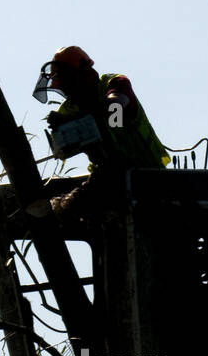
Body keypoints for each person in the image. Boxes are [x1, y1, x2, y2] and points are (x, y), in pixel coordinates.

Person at [32, 45, 169, 227]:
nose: (68, 91)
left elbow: (115, 112)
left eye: (68, 82)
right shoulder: (69, 109)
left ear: (82, 73)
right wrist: (64, 138)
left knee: (89, 193)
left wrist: (79, 118)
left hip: (146, 175)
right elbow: (66, 149)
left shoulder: (115, 84)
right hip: (108, 177)